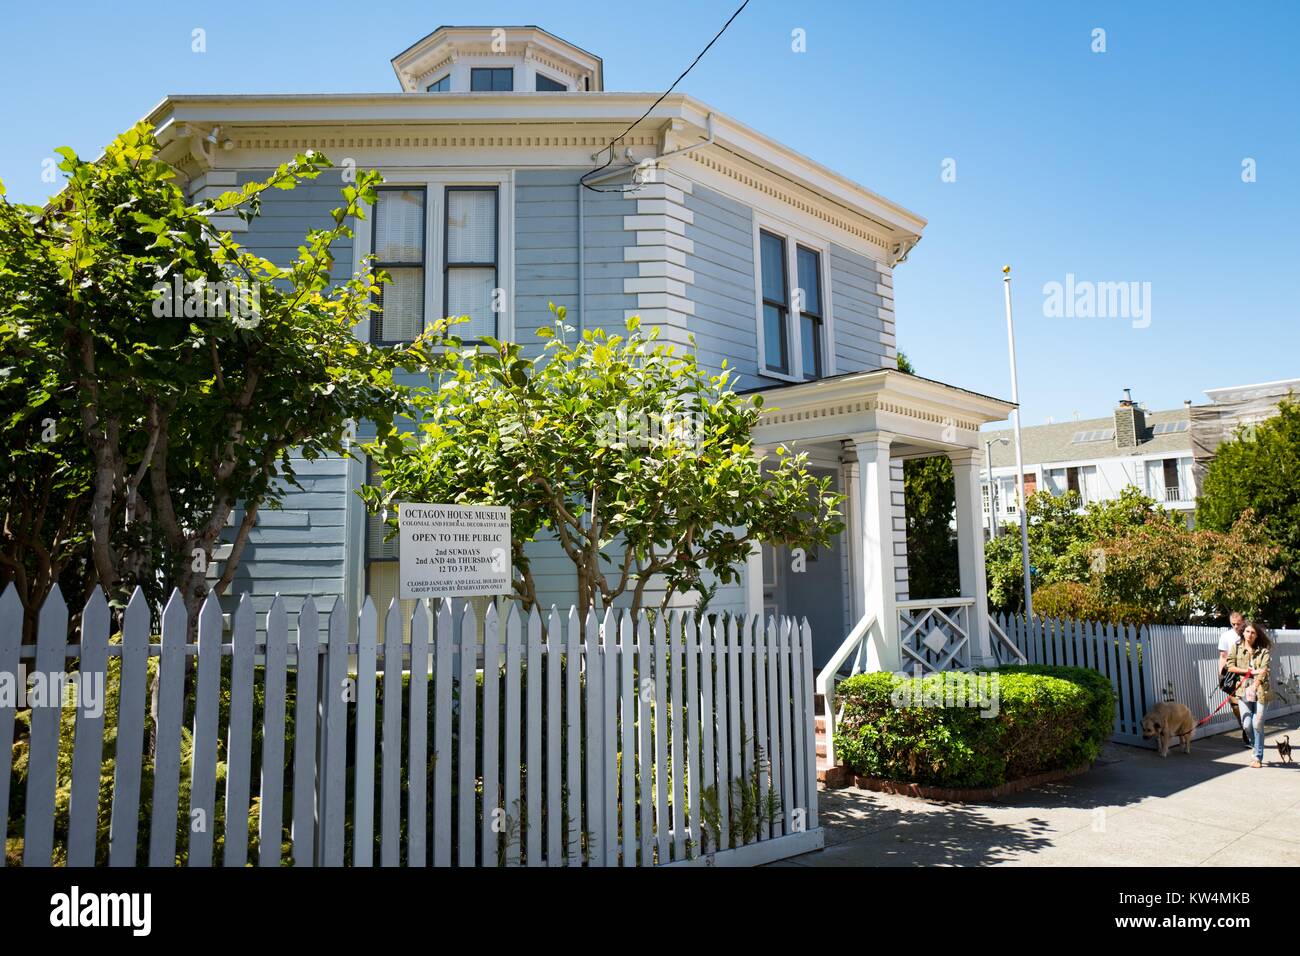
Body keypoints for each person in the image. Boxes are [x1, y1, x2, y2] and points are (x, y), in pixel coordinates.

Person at [1225, 622, 1272, 768]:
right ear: (1243, 633)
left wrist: (1255, 685)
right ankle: (1255, 745)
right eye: (1247, 632)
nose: (1249, 635)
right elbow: (1230, 666)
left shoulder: (1263, 651)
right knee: (1247, 725)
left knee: (1257, 723)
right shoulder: (1236, 648)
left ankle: (1257, 756)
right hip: (1242, 690)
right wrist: (1250, 672)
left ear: (1257, 635)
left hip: (1260, 691)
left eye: (1253, 632)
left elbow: (1264, 671)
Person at [1218, 611, 1248, 744]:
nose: (1236, 626)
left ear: (1243, 622)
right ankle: (1245, 728)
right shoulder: (1225, 636)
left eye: (1238, 623)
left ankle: (1249, 732)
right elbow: (1223, 656)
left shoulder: (1249, 633)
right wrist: (1221, 676)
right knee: (1235, 706)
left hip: (1247, 673)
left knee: (1249, 703)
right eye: (1233, 624)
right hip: (1231, 674)